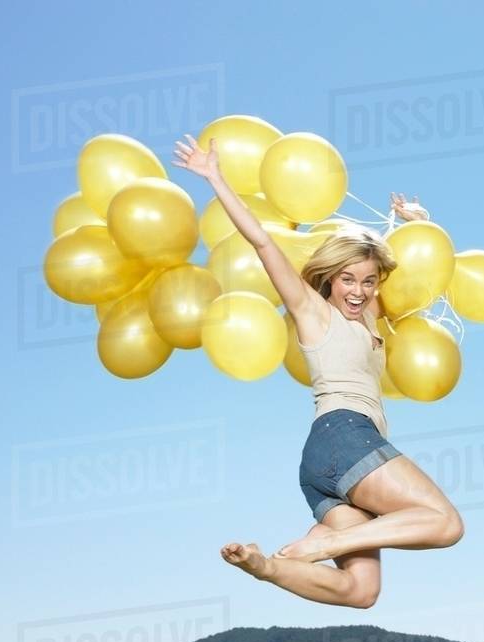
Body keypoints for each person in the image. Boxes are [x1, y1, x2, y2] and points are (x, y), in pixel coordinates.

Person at [172, 134, 465, 610]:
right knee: (445, 523)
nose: (358, 291)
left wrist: (419, 221)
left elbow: (412, 265)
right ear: (329, 278)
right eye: (347, 279)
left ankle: (265, 566)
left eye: (368, 282)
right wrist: (215, 177)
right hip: (346, 437)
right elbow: (263, 242)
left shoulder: (369, 315)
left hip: (322, 465)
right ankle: (325, 543)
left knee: (362, 592)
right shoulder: (314, 312)